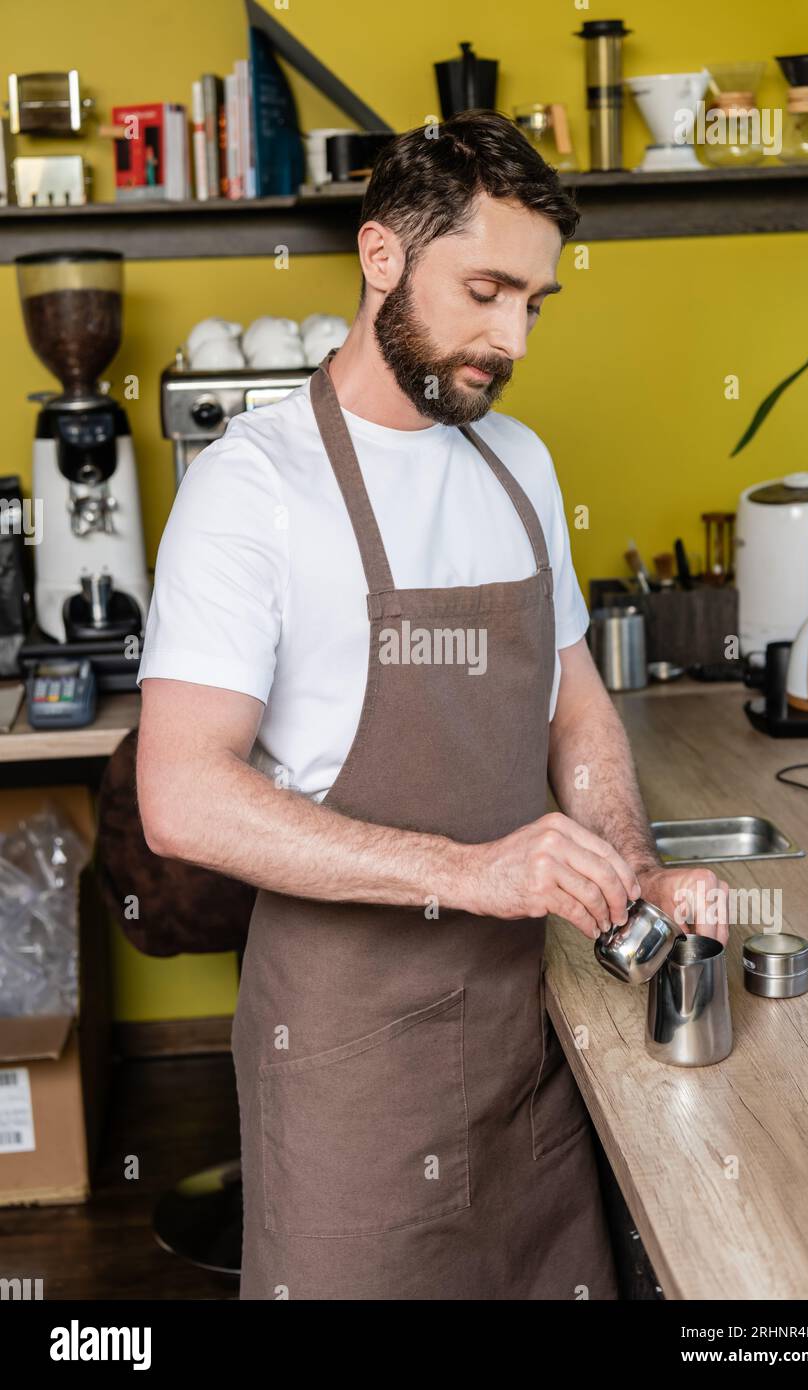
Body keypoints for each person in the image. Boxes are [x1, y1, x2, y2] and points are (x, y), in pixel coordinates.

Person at [136, 110, 728, 1301]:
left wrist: (632, 867)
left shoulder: (517, 462)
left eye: (534, 303)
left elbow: (576, 712)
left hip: (530, 1043)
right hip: (349, 1069)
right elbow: (180, 797)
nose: (508, 337)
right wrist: (470, 872)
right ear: (381, 257)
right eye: (485, 290)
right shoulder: (251, 486)